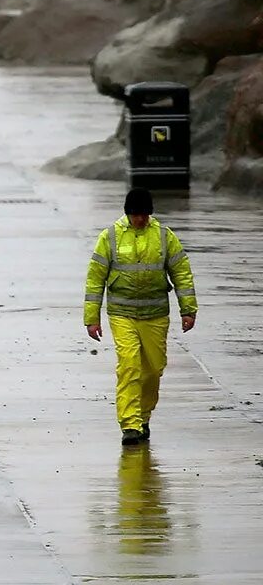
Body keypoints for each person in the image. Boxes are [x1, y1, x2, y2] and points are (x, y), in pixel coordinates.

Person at [84, 188, 198, 446]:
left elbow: (181, 272)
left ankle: (143, 416)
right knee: (129, 366)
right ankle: (130, 424)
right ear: (128, 213)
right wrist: (92, 318)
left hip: (155, 315)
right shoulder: (110, 237)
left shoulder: (164, 237)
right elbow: (94, 280)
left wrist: (188, 309)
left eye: (144, 214)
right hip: (122, 314)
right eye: (136, 214)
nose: (140, 219)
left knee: (153, 370)